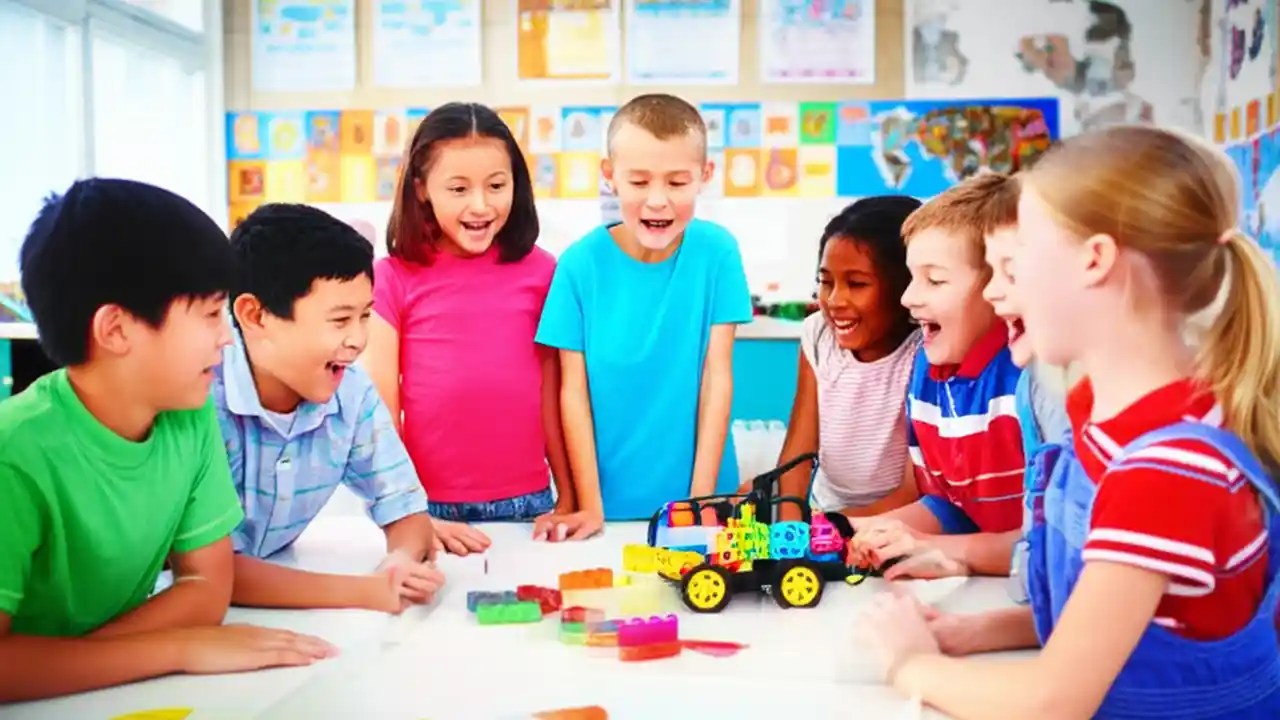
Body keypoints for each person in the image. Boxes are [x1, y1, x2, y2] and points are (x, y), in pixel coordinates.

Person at [862, 126, 1280, 718]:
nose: (998, 289)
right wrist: (980, 631)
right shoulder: (1110, 427)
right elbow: (1121, 615)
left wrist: (909, 665)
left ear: (1094, 261)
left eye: (1015, 260)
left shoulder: (1166, 469)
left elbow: (1052, 702)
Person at [0, 179, 334, 703]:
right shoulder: (14, 455)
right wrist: (177, 649)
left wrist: (65, 660)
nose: (226, 336)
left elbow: (206, 589)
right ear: (116, 330)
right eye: (208, 315)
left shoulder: (189, 415)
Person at [533, 93, 753, 538]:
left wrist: (699, 503)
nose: (657, 201)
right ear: (610, 177)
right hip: (607, 510)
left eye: (677, 182)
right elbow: (572, 393)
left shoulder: (717, 253)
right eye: (639, 182)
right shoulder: (578, 266)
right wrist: (590, 506)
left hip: (701, 505)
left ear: (704, 176)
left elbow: (716, 378)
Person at [363, 102, 573, 555]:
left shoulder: (543, 272)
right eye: (458, 188)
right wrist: (409, 513)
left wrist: (569, 496)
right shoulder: (393, 277)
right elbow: (381, 414)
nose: (480, 205)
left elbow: (554, 396)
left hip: (530, 505)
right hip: (429, 509)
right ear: (421, 189)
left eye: (497, 185)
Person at [217, 203, 443, 613]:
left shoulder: (350, 393)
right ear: (255, 315)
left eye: (365, 316)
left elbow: (406, 510)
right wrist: (365, 591)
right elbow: (215, 571)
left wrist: (400, 562)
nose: (358, 339)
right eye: (340, 321)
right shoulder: (204, 400)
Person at [849, 172, 1026, 580]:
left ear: (1000, 285)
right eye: (913, 277)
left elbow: (1047, 544)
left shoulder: (1030, 383)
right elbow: (953, 506)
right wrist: (872, 533)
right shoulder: (926, 372)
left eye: (935, 279)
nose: (908, 297)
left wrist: (930, 546)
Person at [764, 196, 923, 518]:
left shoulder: (924, 351)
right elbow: (799, 451)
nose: (834, 300)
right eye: (825, 282)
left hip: (898, 521)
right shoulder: (817, 334)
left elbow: (915, 488)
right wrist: (790, 528)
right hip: (828, 514)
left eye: (857, 284)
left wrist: (830, 531)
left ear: (905, 287)